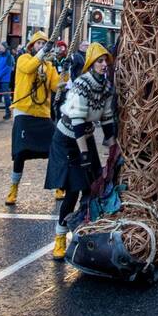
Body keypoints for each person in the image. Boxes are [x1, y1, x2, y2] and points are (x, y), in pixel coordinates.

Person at [46, 43, 116, 259]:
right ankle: (59, 238)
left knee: (92, 187)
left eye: (106, 61)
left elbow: (106, 117)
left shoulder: (105, 88)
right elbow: (76, 122)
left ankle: (83, 231)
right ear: (91, 64)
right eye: (100, 61)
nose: (104, 65)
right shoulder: (81, 85)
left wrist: (112, 143)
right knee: (74, 189)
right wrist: (84, 154)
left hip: (84, 137)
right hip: (68, 139)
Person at [5, 31, 60, 206]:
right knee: (20, 153)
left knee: (55, 148)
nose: (42, 46)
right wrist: (43, 53)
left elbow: (56, 86)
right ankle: (14, 188)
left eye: (44, 43)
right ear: (32, 46)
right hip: (24, 112)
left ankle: (59, 185)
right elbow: (29, 69)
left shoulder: (49, 65)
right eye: (39, 43)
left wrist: (64, 71)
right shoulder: (23, 59)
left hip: (43, 114)